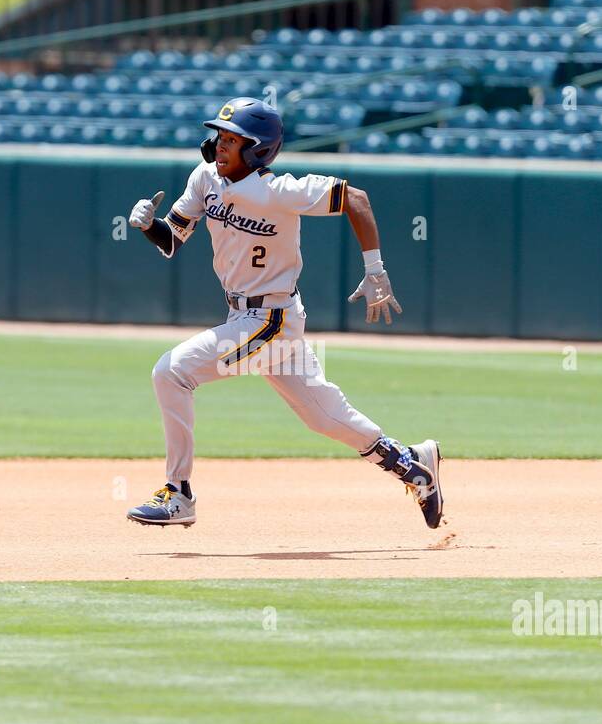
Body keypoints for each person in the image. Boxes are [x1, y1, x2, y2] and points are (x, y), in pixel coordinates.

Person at [124, 96, 444, 529]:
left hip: (271, 319)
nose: (220, 144)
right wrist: (149, 226)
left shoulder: (280, 190)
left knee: (172, 372)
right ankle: (414, 465)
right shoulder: (205, 179)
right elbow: (172, 240)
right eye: (219, 135)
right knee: (325, 417)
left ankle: (178, 494)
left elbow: (358, 199)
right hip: (254, 320)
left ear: (258, 149)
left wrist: (375, 271)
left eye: (233, 139)